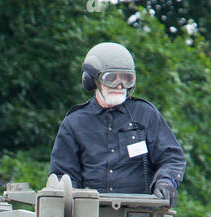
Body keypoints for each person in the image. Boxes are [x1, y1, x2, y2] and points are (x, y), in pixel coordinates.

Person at [49, 41, 186, 205]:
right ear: (93, 80)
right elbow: (62, 176)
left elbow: (172, 157)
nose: (120, 85)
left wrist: (166, 181)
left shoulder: (145, 114)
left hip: (141, 214)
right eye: (111, 78)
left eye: (127, 79)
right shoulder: (75, 122)